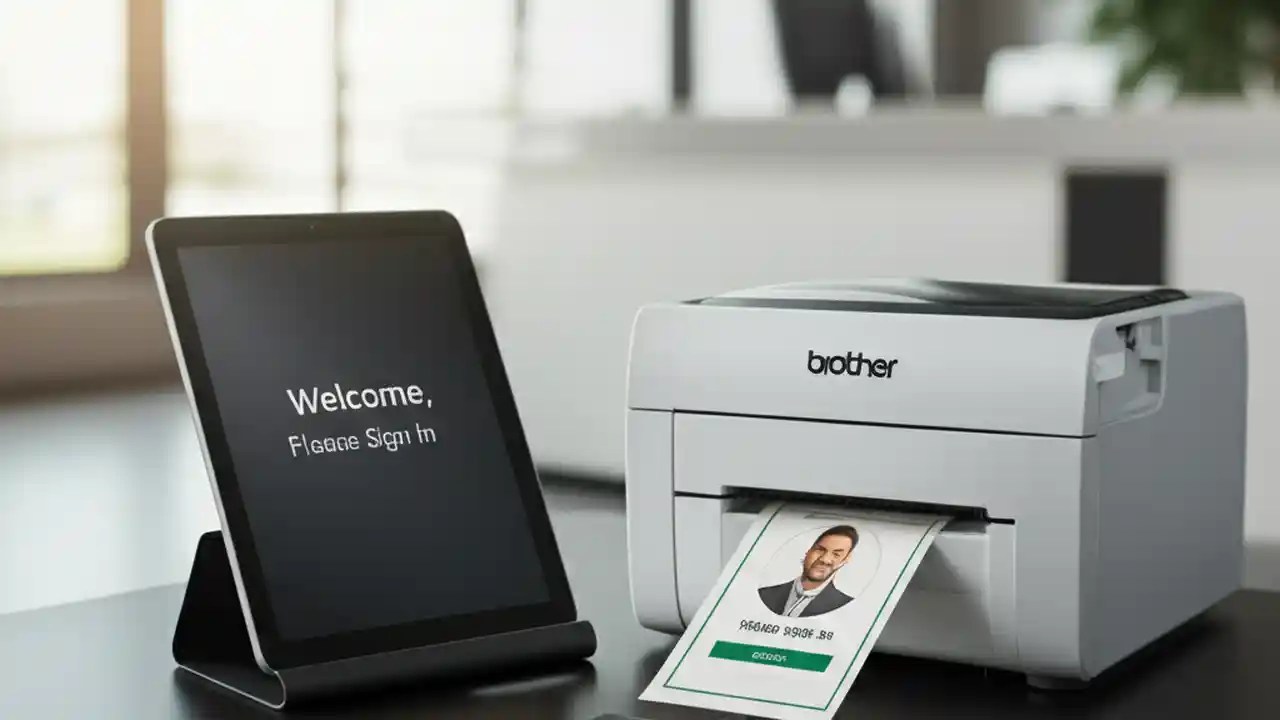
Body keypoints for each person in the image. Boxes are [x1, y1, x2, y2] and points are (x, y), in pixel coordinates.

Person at [758, 525, 857, 618]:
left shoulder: (846, 607)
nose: (824, 559)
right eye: (820, 550)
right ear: (808, 551)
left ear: (845, 560)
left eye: (836, 555)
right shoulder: (765, 594)